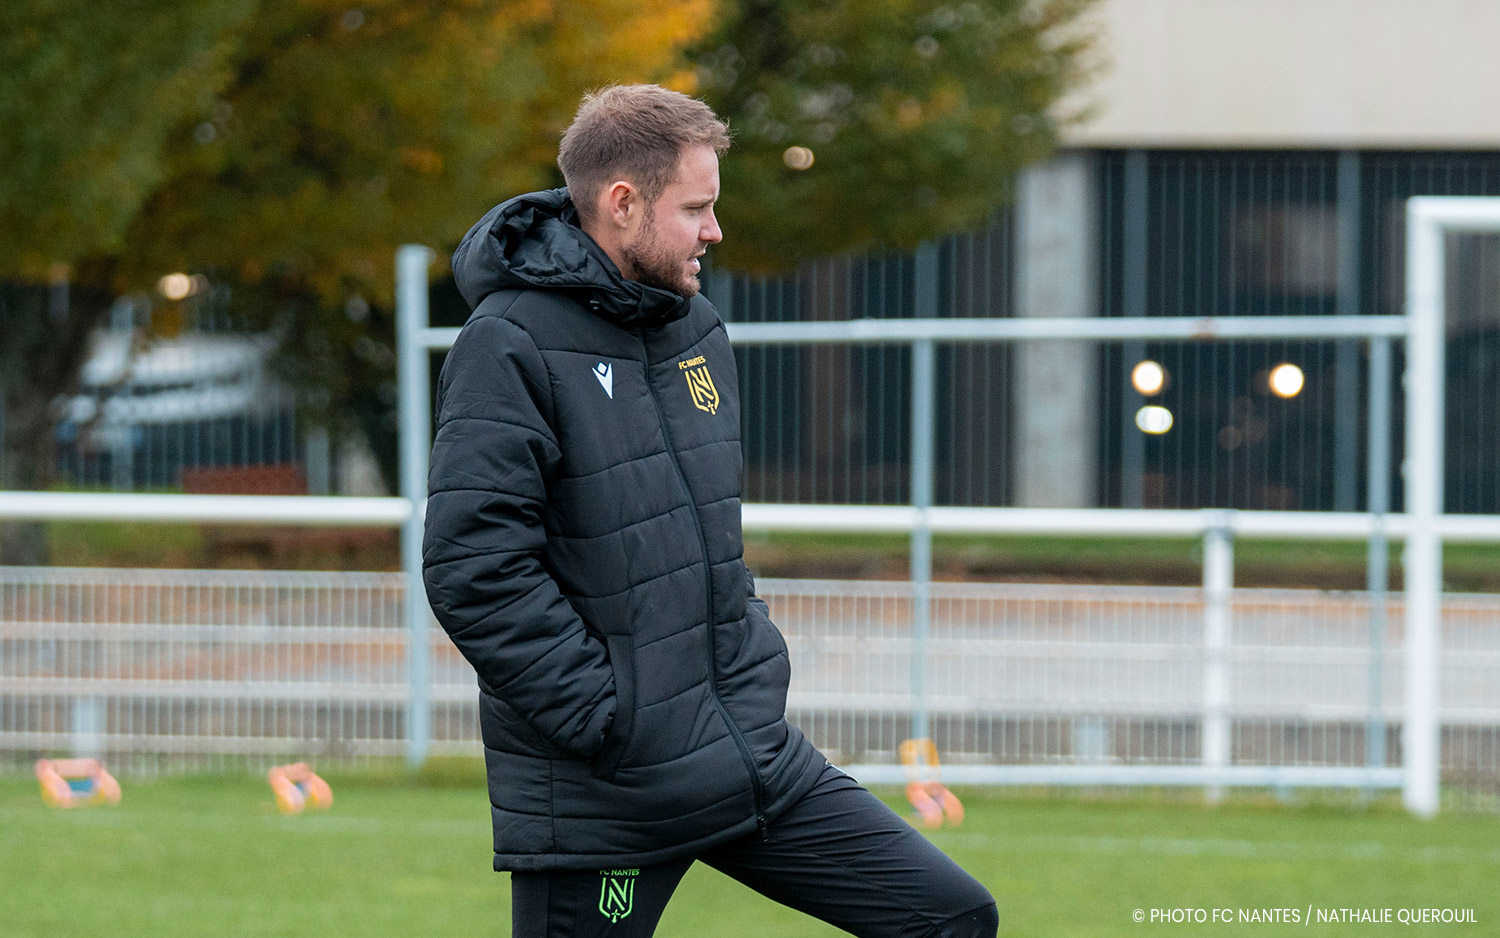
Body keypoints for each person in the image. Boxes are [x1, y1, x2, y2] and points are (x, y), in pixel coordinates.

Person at [423, 83, 997, 938]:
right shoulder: (507, 343)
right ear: (623, 203)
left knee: (950, 918)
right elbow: (474, 568)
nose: (714, 231)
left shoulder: (696, 329)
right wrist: (610, 718)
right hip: (609, 791)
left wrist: (746, 657)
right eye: (696, 208)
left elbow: (703, 537)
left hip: (746, 753)